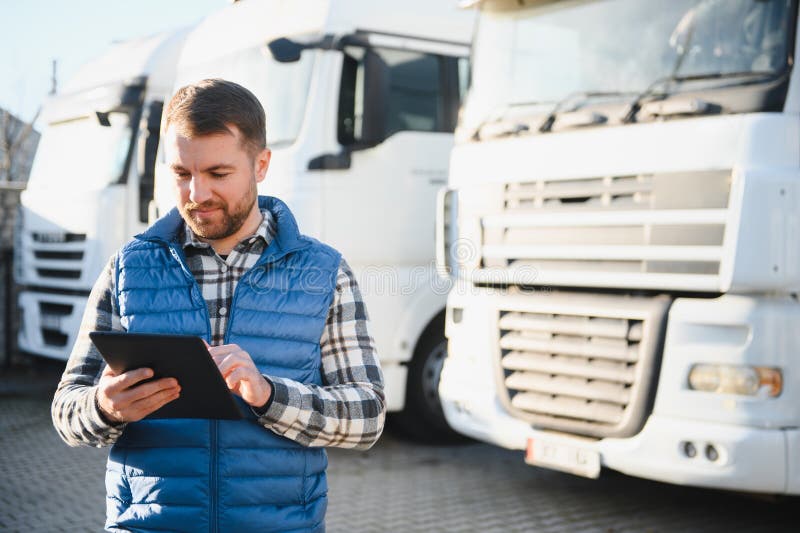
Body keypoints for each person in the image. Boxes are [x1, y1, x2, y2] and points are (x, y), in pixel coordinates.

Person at [52, 78, 386, 532]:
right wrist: (105, 408)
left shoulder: (324, 271)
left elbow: (367, 417)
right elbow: (67, 412)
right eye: (181, 174)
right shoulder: (127, 268)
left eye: (218, 174)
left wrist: (270, 395)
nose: (197, 194)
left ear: (261, 164)